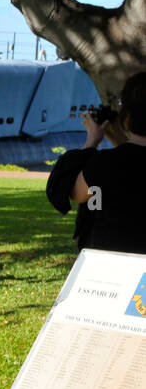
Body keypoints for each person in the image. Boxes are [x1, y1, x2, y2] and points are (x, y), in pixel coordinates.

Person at [48, 72, 146, 254]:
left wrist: (91, 141)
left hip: (110, 267)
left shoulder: (105, 163)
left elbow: (77, 193)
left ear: (127, 116)